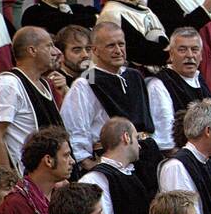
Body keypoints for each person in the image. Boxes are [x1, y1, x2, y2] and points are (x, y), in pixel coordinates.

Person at [60, 22, 162, 190]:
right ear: (95, 50)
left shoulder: (134, 76)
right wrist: (87, 162)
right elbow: (75, 127)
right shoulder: (86, 82)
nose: (118, 50)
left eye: (121, 44)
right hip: (116, 161)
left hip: (147, 156)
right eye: (110, 46)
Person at [0, 26, 65, 172]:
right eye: (49, 46)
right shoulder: (9, 84)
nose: (57, 52)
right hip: (26, 181)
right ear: (32, 50)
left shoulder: (45, 83)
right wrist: (8, 182)